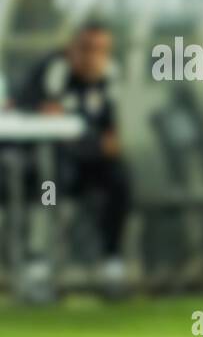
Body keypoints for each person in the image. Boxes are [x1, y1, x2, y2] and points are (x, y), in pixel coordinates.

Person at [20, 22, 130, 290]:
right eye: (87, 49)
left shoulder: (109, 76)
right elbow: (36, 108)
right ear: (72, 49)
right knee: (49, 184)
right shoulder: (54, 71)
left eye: (101, 50)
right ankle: (38, 259)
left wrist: (103, 140)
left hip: (89, 162)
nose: (93, 57)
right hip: (48, 163)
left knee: (119, 179)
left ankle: (111, 260)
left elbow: (112, 136)